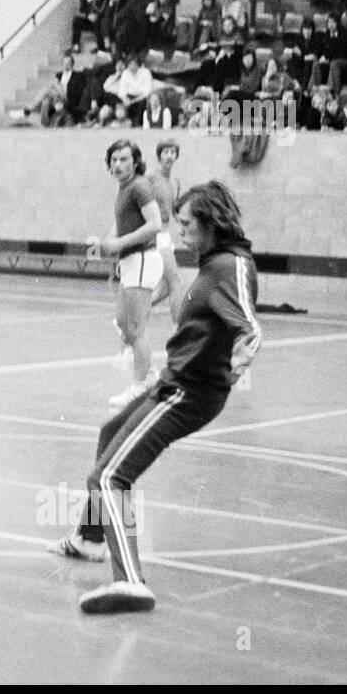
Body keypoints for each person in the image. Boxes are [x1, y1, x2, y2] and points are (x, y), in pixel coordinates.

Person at [52, 181, 261, 614]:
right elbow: (188, 316)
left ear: (210, 223)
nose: (180, 230)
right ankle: (89, 540)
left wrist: (245, 348)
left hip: (190, 392)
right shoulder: (210, 266)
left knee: (109, 477)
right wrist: (169, 272)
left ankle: (129, 581)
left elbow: (249, 323)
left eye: (187, 224)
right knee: (110, 432)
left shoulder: (231, 265)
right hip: (175, 381)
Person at [100, 139, 164, 411]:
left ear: (135, 162)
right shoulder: (124, 188)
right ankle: (149, 374)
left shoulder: (138, 186)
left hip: (142, 261)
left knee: (136, 330)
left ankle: (139, 388)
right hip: (130, 263)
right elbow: (121, 221)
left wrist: (121, 243)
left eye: (124, 159)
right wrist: (110, 240)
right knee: (124, 326)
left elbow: (155, 224)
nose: (118, 164)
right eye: (114, 159)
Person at [147, 139, 185, 323]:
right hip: (154, 235)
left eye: (172, 152)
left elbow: (173, 210)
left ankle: (135, 314)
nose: (169, 156)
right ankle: (179, 331)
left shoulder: (175, 182)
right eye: (165, 152)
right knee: (176, 282)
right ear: (159, 155)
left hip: (167, 235)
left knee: (166, 287)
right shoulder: (150, 177)